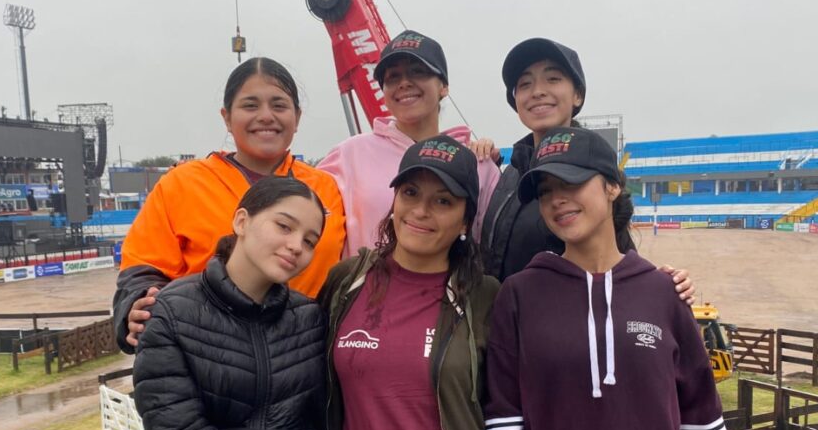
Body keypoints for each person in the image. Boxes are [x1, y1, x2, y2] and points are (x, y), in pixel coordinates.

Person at [484, 127, 741, 430]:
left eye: (571, 183)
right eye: (546, 191)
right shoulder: (518, 296)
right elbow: (505, 426)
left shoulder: (663, 292)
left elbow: (703, 421)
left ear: (612, 185)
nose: (557, 200)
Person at [319, 135, 512, 430]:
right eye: (410, 194)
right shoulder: (348, 283)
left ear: (466, 218)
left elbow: (511, 411)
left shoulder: (486, 297)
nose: (421, 211)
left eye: (442, 200)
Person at [134, 177, 340, 430]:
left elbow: (326, 424)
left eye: (310, 239)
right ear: (242, 220)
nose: (297, 245)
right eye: (284, 226)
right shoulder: (173, 314)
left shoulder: (309, 318)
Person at [114, 57, 346, 352]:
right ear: (226, 117)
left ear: (297, 117)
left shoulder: (325, 189)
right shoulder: (183, 183)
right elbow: (142, 268)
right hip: (208, 357)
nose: (266, 116)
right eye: (250, 105)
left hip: (302, 356)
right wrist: (136, 308)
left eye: (279, 105)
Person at [478, 38, 693, 305]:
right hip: (504, 333)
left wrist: (658, 283)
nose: (537, 91)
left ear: (577, 94)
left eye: (553, 79)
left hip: (574, 333)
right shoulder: (508, 176)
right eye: (525, 84)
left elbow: (618, 255)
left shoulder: (595, 173)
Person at [318, 30, 501, 255]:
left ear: (443, 86)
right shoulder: (348, 154)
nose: (404, 83)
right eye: (393, 77)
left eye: (418, 72)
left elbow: (493, 247)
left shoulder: (478, 163)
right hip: (363, 288)